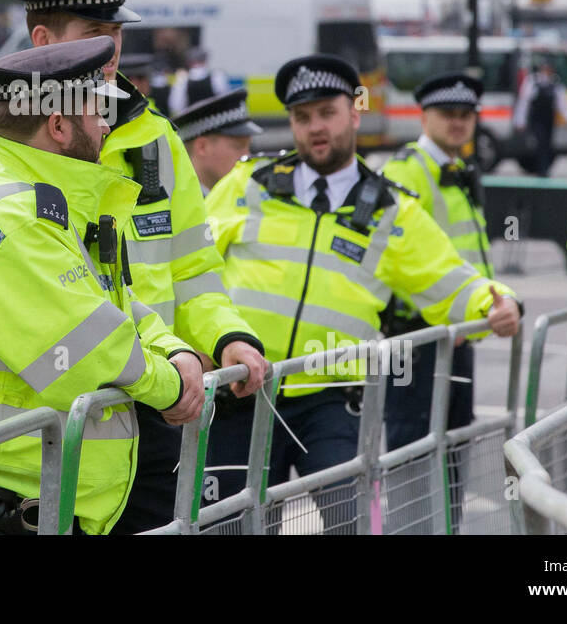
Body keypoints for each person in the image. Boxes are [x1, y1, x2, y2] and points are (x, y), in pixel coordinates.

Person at [0, 0, 267, 535]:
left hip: (152, 415)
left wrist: (222, 338)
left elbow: (190, 268)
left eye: (116, 34)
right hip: (35, 442)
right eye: (95, 33)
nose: (112, 50)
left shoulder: (155, 140)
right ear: (43, 46)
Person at [204, 55, 521, 532]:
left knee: (348, 524)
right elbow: (191, 267)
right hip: (242, 393)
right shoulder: (247, 184)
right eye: (302, 117)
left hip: (331, 403)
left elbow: (449, 278)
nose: (315, 128)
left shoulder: (392, 210)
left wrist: (497, 302)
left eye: (326, 113)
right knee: (231, 527)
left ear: (354, 113)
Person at [379, 72, 511, 527]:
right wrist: (449, 316)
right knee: (413, 449)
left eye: (466, 115)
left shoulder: (458, 170)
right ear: (424, 116)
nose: (458, 124)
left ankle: (445, 527)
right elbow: (395, 259)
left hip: (454, 336)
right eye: (447, 115)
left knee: (454, 445)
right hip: (418, 337)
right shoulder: (405, 171)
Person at [173, 88, 263, 194]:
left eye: (249, 147)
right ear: (202, 147)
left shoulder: (246, 195)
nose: (247, 156)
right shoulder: (173, 204)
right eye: (238, 147)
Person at [513, 58, 567, 176]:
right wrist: (520, 121)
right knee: (539, 142)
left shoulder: (555, 83)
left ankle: (544, 168)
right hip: (536, 119)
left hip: (548, 119)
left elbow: (562, 103)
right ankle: (540, 168)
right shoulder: (532, 82)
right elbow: (524, 102)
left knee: (547, 144)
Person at [167, 46, 230, 117]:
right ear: (205, 61)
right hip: (213, 118)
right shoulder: (217, 76)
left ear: (189, 63)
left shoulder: (182, 80)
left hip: (193, 121)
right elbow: (224, 99)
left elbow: (175, 106)